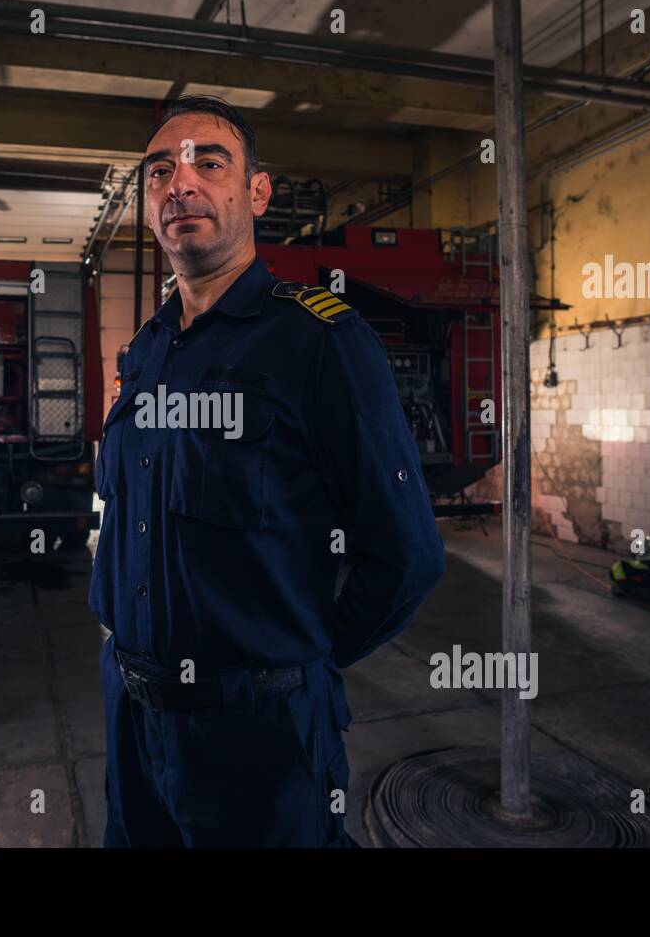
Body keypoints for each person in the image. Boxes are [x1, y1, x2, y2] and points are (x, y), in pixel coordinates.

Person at [89, 95, 445, 847]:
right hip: (130, 716)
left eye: (207, 162)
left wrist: (300, 664)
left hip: (256, 737)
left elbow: (406, 554)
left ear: (257, 192)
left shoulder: (319, 342)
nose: (179, 183)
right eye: (159, 171)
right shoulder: (148, 349)